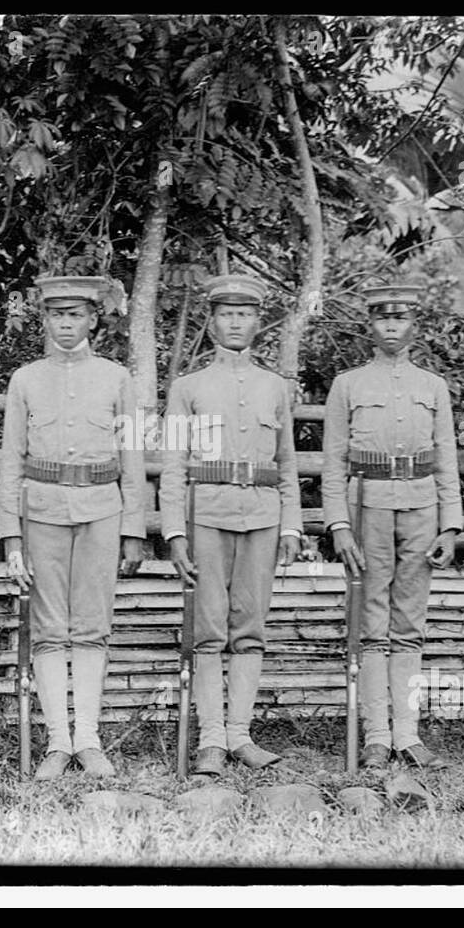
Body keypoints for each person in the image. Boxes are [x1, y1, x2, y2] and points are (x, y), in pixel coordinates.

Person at [0, 276, 146, 781]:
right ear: (45, 319)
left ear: (92, 320)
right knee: (48, 629)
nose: (66, 324)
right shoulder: (26, 380)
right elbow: (11, 461)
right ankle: (58, 742)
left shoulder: (116, 378)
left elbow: (132, 455)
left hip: (102, 508)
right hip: (41, 510)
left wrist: (133, 527)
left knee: (91, 626)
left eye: (76, 315)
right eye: (57, 315)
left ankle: (89, 738)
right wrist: (11, 535)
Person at [159, 274, 302, 775]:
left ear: (258, 321)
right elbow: (173, 464)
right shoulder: (188, 387)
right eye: (226, 313)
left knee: (251, 628)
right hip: (207, 517)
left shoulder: (274, 387)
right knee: (207, 628)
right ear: (212, 320)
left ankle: (240, 735)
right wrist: (174, 531)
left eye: (245, 313)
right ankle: (212, 739)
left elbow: (286, 463)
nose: (236, 321)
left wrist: (291, 526)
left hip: (262, 516)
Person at [321, 283, 462, 770]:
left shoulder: (432, 387)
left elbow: (446, 461)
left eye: (400, 320)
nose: (391, 328)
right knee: (369, 624)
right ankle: (376, 734)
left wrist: (451, 526)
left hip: (422, 505)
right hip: (369, 507)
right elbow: (334, 461)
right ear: (371, 327)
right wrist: (338, 523)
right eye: (383, 320)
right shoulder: (349, 384)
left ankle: (408, 733)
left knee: (409, 626)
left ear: (413, 327)